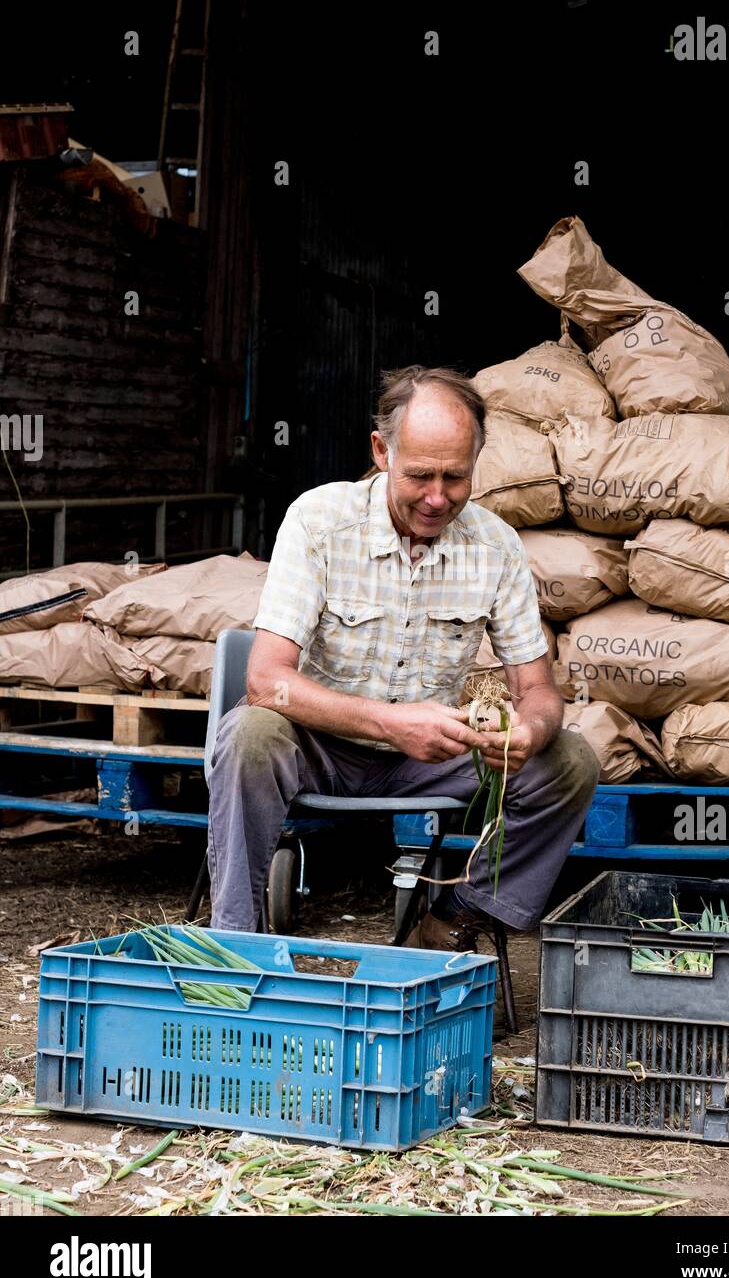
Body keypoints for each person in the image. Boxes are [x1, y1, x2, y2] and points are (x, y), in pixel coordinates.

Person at [207, 364, 599, 948]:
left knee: (569, 762)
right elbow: (266, 682)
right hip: (316, 745)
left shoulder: (495, 546)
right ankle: (236, 949)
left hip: (429, 756)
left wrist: (528, 732)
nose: (438, 498)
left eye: (456, 477)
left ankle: (454, 919)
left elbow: (538, 691)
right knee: (249, 734)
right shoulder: (318, 521)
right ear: (381, 451)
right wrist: (391, 722)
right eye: (420, 475)